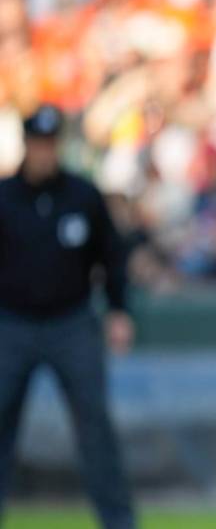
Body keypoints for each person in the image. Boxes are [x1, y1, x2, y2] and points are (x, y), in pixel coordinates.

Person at [0, 106, 137, 529]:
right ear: (26, 145)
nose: (45, 153)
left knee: (95, 429)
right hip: (11, 324)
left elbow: (112, 256)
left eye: (51, 144)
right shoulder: (4, 197)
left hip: (71, 323)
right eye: (38, 144)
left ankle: (118, 523)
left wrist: (117, 309)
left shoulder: (82, 194)